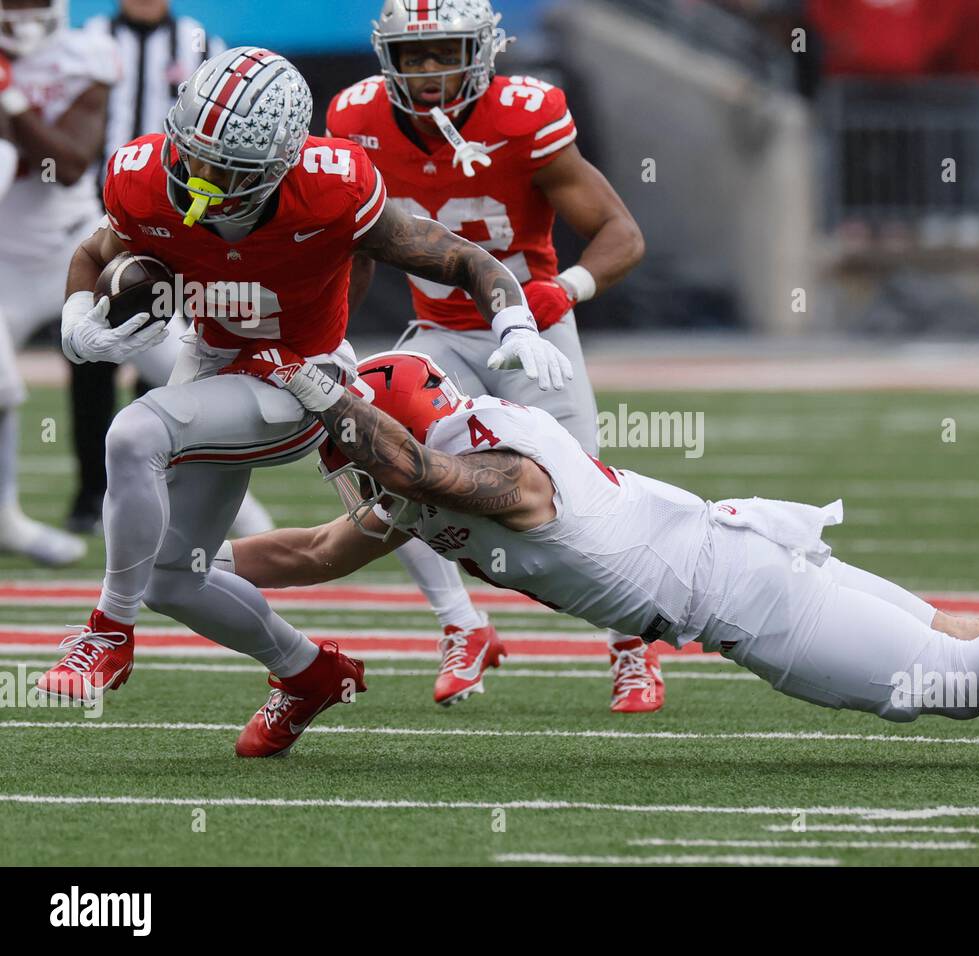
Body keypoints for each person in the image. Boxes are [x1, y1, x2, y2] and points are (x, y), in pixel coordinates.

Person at [210, 346, 979, 763]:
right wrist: (171, 569)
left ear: (399, 432)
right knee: (950, 635)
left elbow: (440, 485)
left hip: (742, 596)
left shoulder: (491, 467)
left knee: (942, 687)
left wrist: (349, 419)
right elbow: (308, 549)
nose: (344, 469)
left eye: (354, 446)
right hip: (738, 547)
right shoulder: (431, 476)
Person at [34, 47, 574, 708]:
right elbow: (96, 252)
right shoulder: (142, 174)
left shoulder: (332, 186)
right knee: (174, 579)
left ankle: (107, 633)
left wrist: (514, 320)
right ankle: (308, 670)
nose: (197, 176)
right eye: (191, 154)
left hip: (299, 379)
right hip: (211, 362)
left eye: (223, 169)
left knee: (132, 434)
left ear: (279, 165)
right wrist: (76, 318)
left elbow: (458, 258)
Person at [327, 0, 654, 712]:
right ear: (388, 59)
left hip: (528, 334)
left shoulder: (525, 117)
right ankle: (462, 625)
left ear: (483, 51)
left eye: (444, 52)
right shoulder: (358, 121)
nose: (428, 70)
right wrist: (333, 338)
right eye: (413, 56)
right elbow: (354, 244)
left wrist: (561, 290)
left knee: (588, 501)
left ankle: (630, 646)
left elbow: (620, 233)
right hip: (438, 330)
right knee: (379, 462)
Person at [65, 0, 255, 535]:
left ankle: (158, 486)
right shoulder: (92, 40)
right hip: (96, 211)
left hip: (178, 216)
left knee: (165, 354)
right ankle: (90, 492)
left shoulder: (201, 44)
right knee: (93, 355)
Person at [0, 0, 117, 564]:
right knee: (2, 387)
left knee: (168, 355)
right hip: (2, 263)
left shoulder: (83, 53)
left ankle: (236, 507)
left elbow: (69, 163)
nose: (18, 13)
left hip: (77, 248)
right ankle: (6, 518)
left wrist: (10, 97)